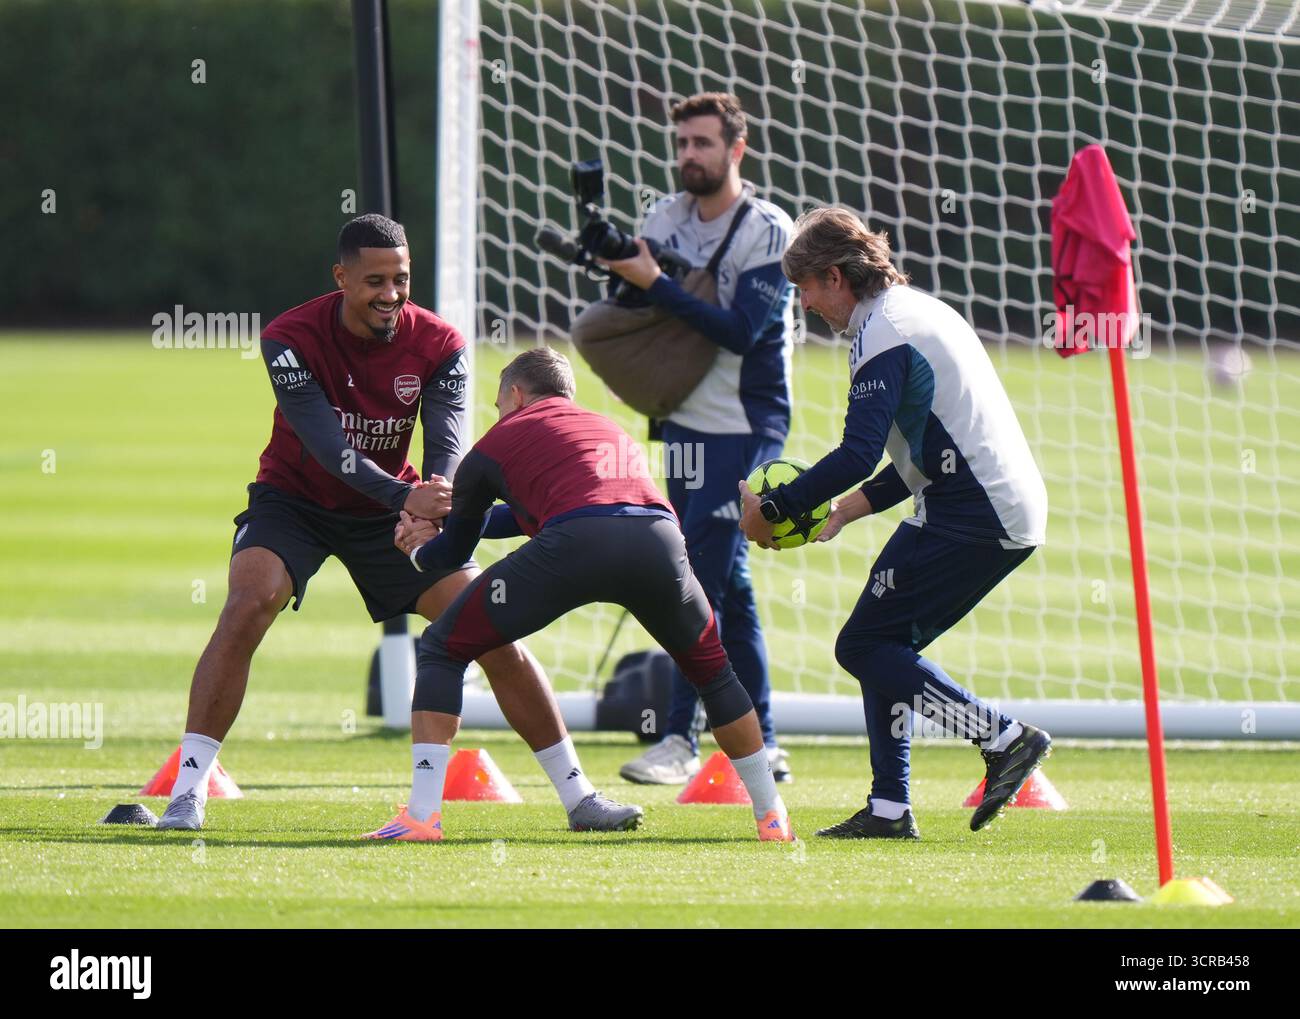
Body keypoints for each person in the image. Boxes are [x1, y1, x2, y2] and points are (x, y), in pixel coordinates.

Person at [157, 213, 638, 833]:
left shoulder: (440, 343)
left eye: (401, 279)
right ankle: (187, 795)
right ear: (341, 278)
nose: (390, 294)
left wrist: (435, 500)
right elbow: (330, 447)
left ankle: (580, 799)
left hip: (394, 509)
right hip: (294, 499)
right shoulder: (288, 336)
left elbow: (445, 443)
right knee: (252, 600)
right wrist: (405, 501)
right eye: (375, 281)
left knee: (489, 627)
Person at [363, 347, 794, 843]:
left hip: (577, 543)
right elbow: (540, 510)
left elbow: (455, 548)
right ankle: (772, 818)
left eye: (500, 403)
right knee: (715, 676)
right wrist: (456, 519)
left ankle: (422, 816)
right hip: (659, 540)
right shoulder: (605, 428)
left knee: (443, 647)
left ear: (516, 394)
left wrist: (418, 549)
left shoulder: (498, 440)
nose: (498, 412)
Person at [739, 207, 1052, 838]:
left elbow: (858, 453)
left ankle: (1003, 739)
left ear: (835, 276)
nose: (805, 305)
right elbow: (926, 446)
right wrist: (849, 510)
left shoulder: (884, 330)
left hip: (974, 509)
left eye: (805, 289)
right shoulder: (915, 311)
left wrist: (774, 509)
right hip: (977, 501)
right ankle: (889, 808)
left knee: (862, 646)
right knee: (879, 643)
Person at [601, 92, 797, 786]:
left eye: (703, 143)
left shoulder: (768, 230)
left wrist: (656, 279)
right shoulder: (665, 217)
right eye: (682, 143)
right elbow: (646, 312)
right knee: (727, 582)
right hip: (685, 421)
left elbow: (741, 331)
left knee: (694, 578)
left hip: (747, 426)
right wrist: (620, 272)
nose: (689, 155)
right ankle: (765, 738)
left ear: (736, 150)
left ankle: (679, 735)